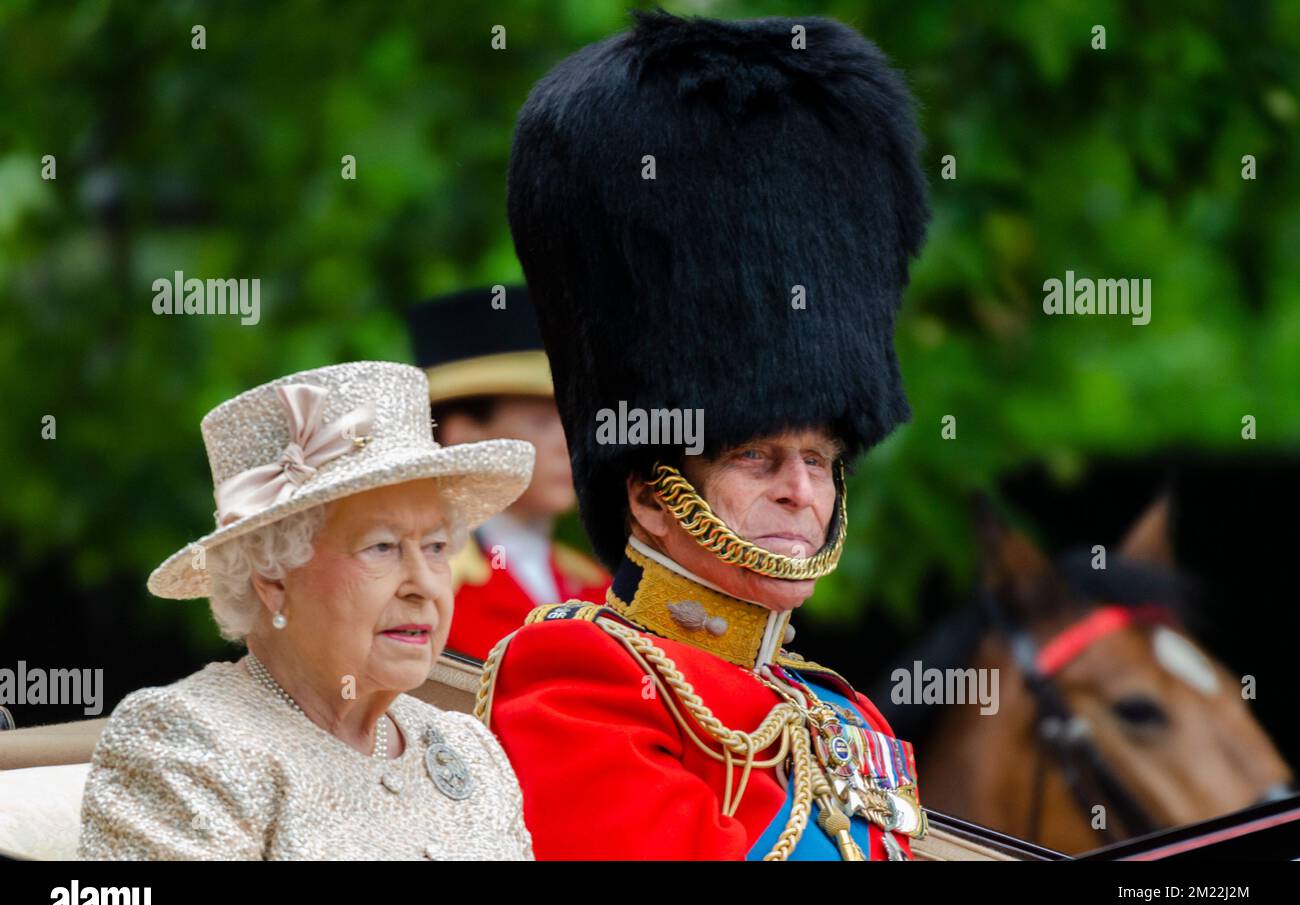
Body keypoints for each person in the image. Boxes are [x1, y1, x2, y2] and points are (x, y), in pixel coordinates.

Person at [476, 11, 931, 860]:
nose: (803, 489)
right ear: (651, 498)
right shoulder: (578, 679)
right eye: (755, 456)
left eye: (822, 460)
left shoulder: (842, 716)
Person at [78, 361, 537, 860]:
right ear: (273, 576)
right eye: (381, 547)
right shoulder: (185, 743)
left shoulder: (466, 746)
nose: (425, 585)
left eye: (435, 546)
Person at [406, 287, 608, 661]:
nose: (570, 445)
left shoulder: (602, 588)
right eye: (542, 422)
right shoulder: (421, 590)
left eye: (573, 422)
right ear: (464, 438)